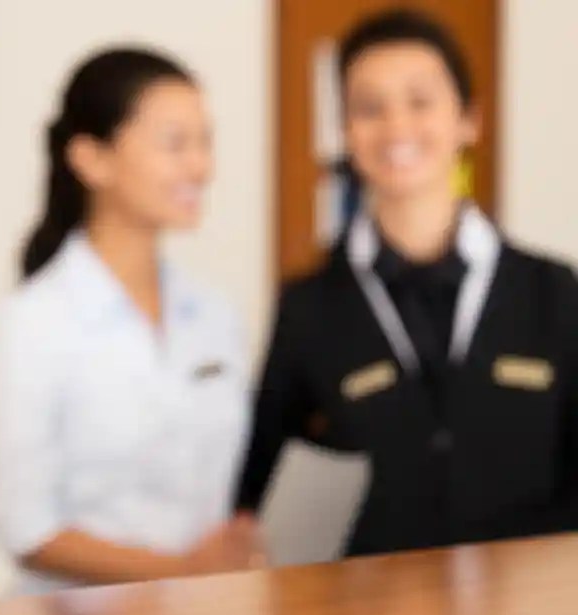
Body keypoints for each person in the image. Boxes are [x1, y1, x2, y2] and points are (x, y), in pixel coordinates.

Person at [236, 10, 578, 556]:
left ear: (469, 119)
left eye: (420, 102)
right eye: (369, 108)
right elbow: (259, 489)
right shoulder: (310, 308)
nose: (397, 128)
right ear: (346, 131)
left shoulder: (553, 292)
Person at [0, 48, 261, 593]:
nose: (200, 166)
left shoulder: (213, 316)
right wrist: (183, 575)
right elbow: (29, 531)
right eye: (175, 143)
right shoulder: (31, 325)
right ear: (91, 159)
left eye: (205, 141)